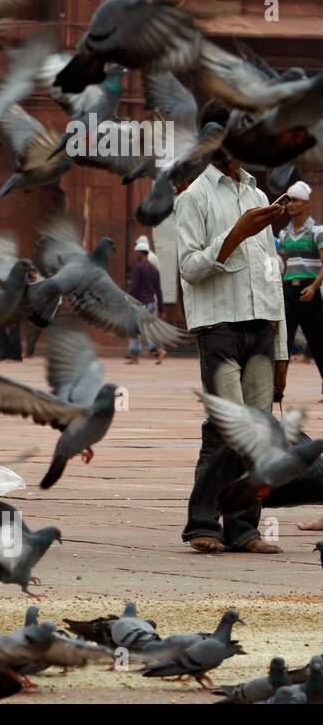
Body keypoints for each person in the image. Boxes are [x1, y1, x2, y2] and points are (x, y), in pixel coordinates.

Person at [174, 102, 287, 555]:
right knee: (224, 429)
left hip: (260, 325)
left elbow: (269, 275)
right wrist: (233, 236)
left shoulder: (258, 197)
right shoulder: (193, 198)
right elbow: (188, 268)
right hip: (219, 326)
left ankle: (243, 528)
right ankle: (202, 522)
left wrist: (280, 350)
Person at [277, 181, 323, 392]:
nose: (290, 205)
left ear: (305, 203)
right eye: (288, 201)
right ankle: (278, 387)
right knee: (283, 342)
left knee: (317, 341)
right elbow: (283, 262)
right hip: (289, 290)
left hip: (309, 290)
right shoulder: (284, 234)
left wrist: (314, 287)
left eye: (295, 200)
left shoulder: (317, 232)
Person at [126, 235, 166, 364]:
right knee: (143, 330)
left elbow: (134, 287)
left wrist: (128, 301)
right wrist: (161, 308)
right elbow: (158, 290)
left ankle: (156, 350)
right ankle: (136, 356)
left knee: (135, 329)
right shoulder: (154, 269)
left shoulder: (139, 267)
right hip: (151, 303)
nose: (135, 255)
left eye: (136, 253)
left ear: (140, 253)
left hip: (141, 303)